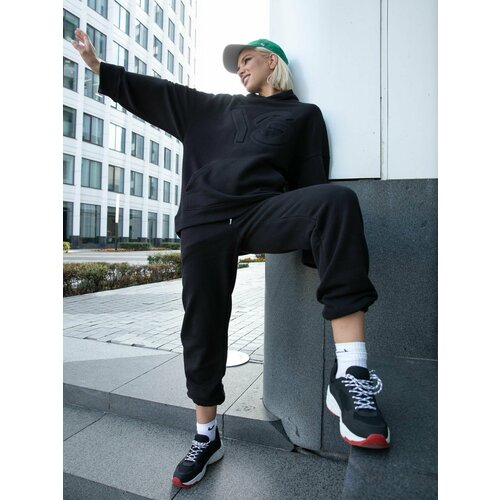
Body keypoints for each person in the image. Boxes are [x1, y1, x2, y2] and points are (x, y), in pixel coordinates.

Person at [72, 29, 390, 489]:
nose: (240, 69)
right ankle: (206, 436)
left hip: (261, 211)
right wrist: (101, 69)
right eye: (237, 64)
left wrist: (317, 254)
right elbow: (160, 93)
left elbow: (310, 181)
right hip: (205, 219)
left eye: (246, 60)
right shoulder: (215, 108)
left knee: (336, 201)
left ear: (271, 62)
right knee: (203, 322)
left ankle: (352, 375)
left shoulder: (304, 116)